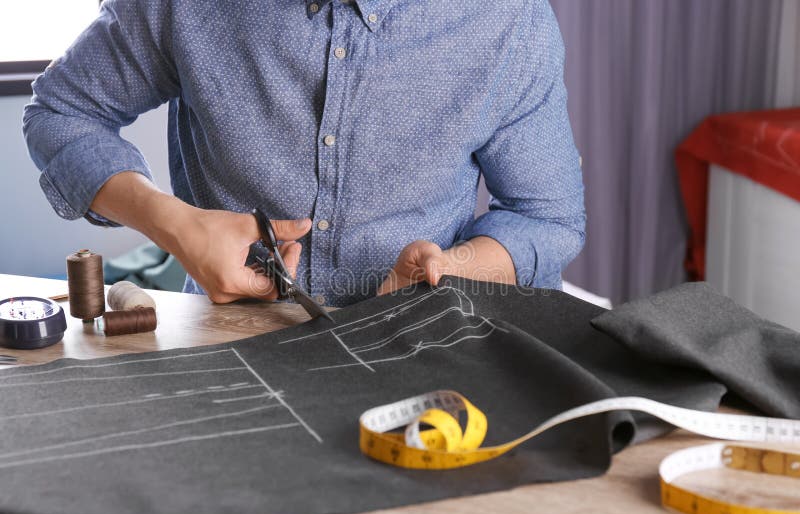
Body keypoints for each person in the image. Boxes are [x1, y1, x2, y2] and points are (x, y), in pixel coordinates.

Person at [23, 0, 585, 308]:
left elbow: (547, 217)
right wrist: (177, 225)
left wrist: (453, 268)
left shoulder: (510, 19)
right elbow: (61, 111)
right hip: (224, 350)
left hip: (427, 350)